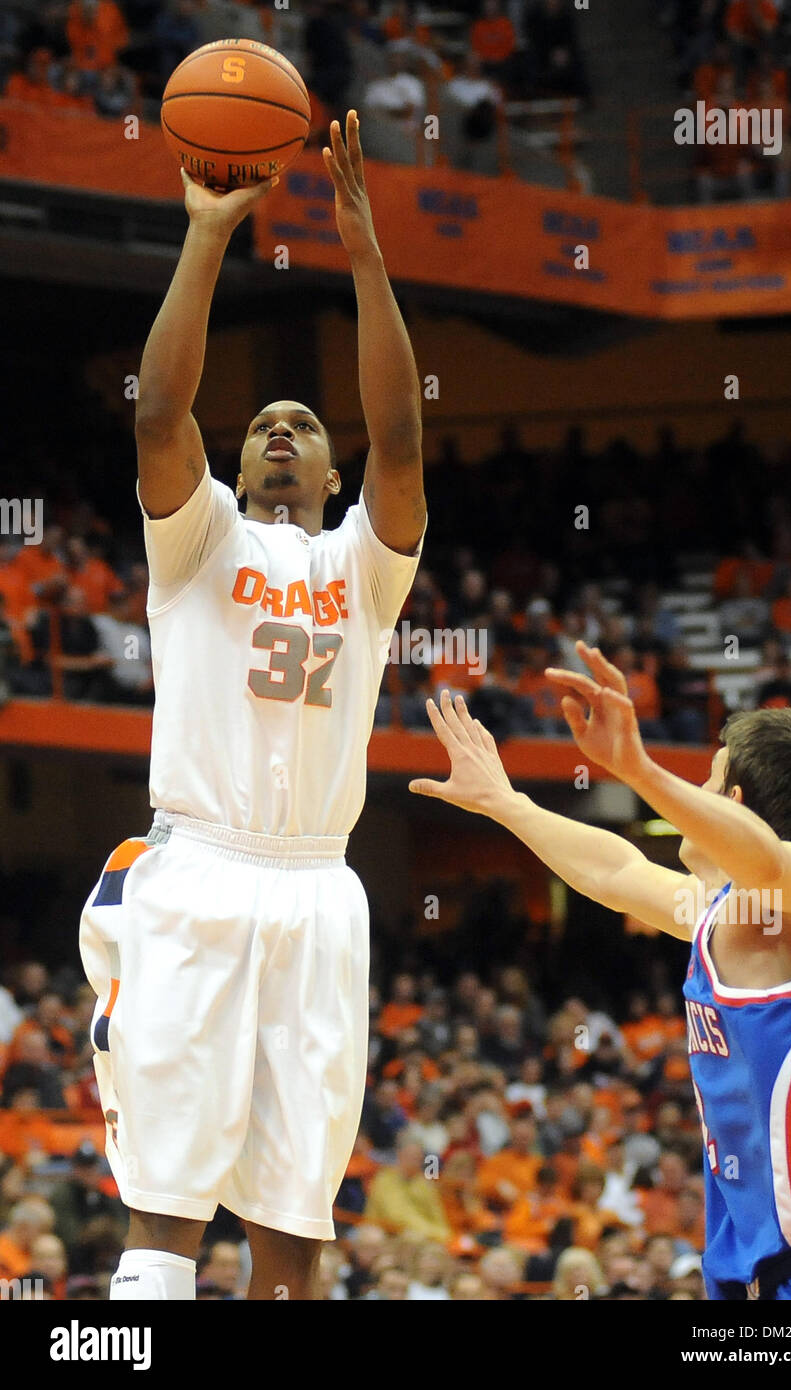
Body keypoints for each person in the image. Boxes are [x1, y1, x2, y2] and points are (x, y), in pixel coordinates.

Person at [79, 111, 425, 1302]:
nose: (282, 431)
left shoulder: (364, 569)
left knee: (294, 1227)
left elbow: (403, 439)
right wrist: (208, 235)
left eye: (304, 428)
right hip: (202, 874)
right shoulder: (199, 539)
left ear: (330, 474)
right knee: (166, 1208)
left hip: (321, 890)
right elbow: (157, 416)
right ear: (239, 465)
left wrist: (366, 255)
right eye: (263, 427)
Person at [410, 642, 791, 1300]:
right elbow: (618, 874)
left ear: (732, 803)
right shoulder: (726, 916)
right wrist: (505, 804)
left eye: (707, 779)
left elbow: (769, 859)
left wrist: (638, 768)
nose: (694, 790)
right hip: (765, 1267)